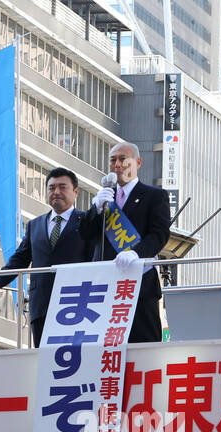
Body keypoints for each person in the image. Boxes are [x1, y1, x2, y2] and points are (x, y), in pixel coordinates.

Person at [0, 167, 95, 346]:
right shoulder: (35, 225)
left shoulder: (88, 221)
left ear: (76, 192)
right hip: (41, 306)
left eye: (62, 187)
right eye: (51, 188)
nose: (56, 192)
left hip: (77, 304)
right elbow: (20, 259)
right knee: (44, 360)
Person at [78, 141, 172, 344]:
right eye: (113, 160)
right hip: (104, 283)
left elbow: (159, 235)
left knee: (143, 344)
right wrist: (96, 208)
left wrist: (136, 253)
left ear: (137, 162)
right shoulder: (105, 197)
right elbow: (84, 233)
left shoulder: (154, 196)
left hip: (139, 283)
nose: (117, 165)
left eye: (123, 159)